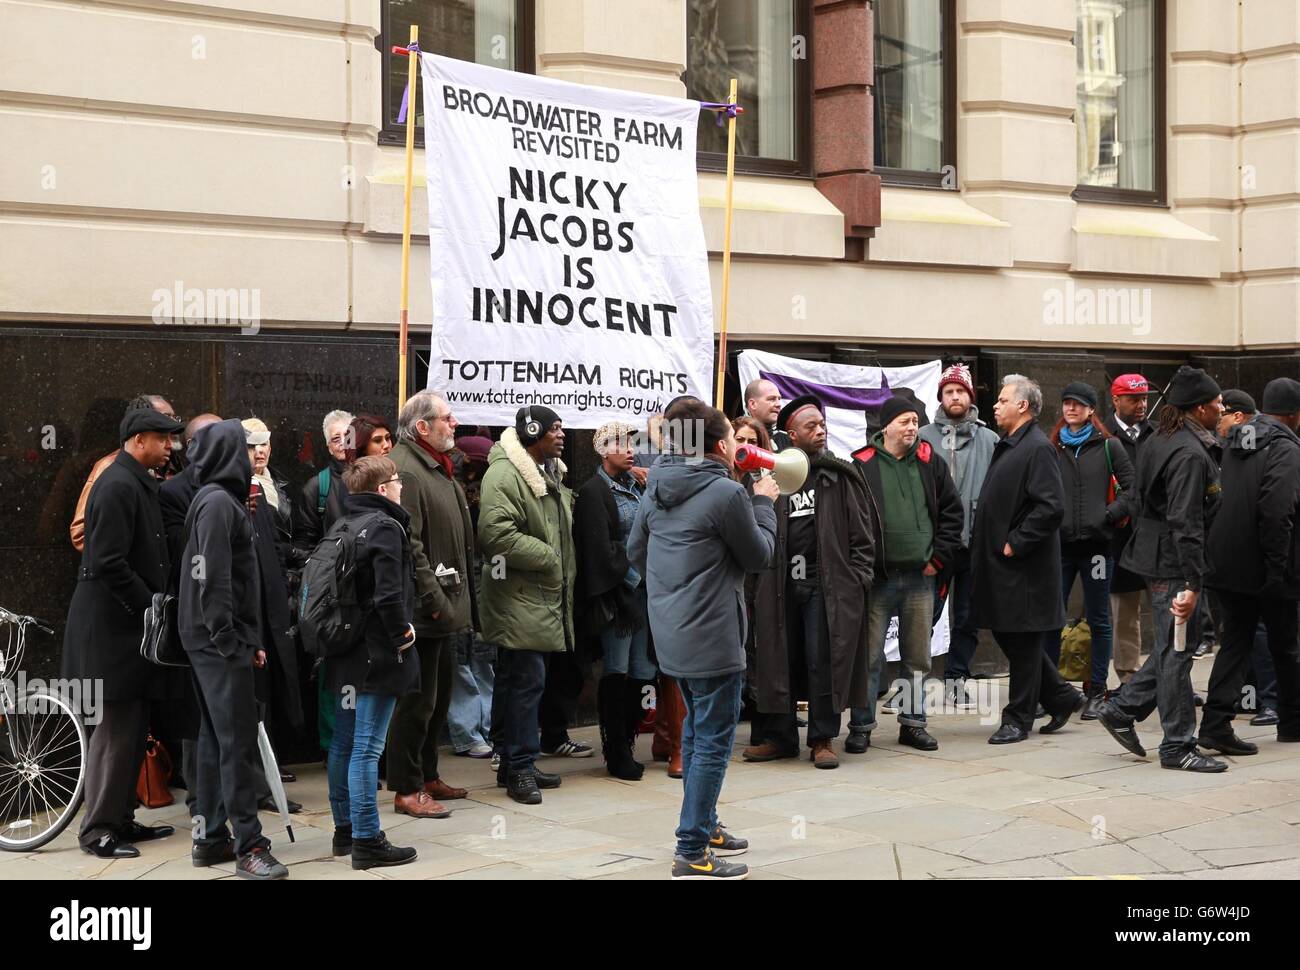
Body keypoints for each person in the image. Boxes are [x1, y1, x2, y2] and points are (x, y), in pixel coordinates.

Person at [628, 399, 779, 880]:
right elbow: (758, 557)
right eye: (732, 439)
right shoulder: (727, 494)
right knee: (713, 740)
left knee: (696, 730)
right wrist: (763, 505)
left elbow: (635, 552)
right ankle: (692, 848)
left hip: (672, 632)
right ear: (718, 445)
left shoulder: (655, 488)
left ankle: (706, 824)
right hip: (714, 635)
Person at [65, 402, 184, 858]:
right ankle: (97, 831)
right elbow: (105, 562)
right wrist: (150, 604)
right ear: (139, 440)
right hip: (111, 631)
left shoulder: (137, 481)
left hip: (130, 631)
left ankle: (122, 819)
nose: (169, 447)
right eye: (163, 438)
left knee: (133, 728)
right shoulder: (116, 484)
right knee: (114, 733)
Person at [1094, 366, 1227, 772]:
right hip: (1172, 563)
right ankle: (1177, 746)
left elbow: (1137, 500)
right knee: (1177, 652)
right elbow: (1185, 521)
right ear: (1200, 408)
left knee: (1174, 646)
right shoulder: (1187, 451)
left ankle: (1121, 709)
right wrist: (1191, 583)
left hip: (1156, 556)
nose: (1222, 409)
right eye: (1218, 403)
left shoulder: (1159, 437)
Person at [178, 419, 287, 879]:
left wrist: (245, 638)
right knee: (238, 741)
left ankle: (210, 837)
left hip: (214, 640)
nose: (251, 455)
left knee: (214, 738)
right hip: (217, 643)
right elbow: (215, 581)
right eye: (243, 448)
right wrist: (232, 641)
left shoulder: (214, 499)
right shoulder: (220, 503)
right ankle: (250, 846)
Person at [745, 396, 876, 767]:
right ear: (792, 435)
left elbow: (861, 534)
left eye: (822, 425)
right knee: (779, 660)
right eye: (811, 427)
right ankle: (781, 737)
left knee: (823, 660)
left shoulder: (838, 474)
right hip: (780, 582)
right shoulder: (775, 477)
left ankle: (822, 739)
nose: (820, 431)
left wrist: (860, 578)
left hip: (825, 585)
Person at [971, 375, 1086, 744]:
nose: (995, 404)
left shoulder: (1037, 447)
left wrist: (1015, 543)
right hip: (1003, 568)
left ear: (1022, 406)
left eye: (1002, 399)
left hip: (1024, 569)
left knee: (1022, 643)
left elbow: (1051, 507)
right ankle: (1061, 696)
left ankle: (1018, 719)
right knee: (1014, 638)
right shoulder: (1011, 444)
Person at [848, 394, 962, 752]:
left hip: (920, 578)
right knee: (867, 657)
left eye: (915, 421)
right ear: (887, 426)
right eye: (905, 421)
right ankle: (861, 725)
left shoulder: (932, 463)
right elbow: (850, 521)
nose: (912, 427)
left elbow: (952, 515)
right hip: (877, 580)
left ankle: (913, 723)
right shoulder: (861, 465)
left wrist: (936, 561)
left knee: (917, 657)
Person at [325, 456, 421, 869]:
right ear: (382, 490)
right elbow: (387, 595)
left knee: (344, 746)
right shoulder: (385, 527)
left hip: (345, 654)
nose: (401, 487)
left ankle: (345, 831)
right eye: (397, 481)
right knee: (367, 749)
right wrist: (403, 634)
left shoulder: (343, 523)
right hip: (376, 656)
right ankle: (367, 840)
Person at [478, 405, 576, 804]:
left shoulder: (548, 471)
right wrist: (551, 556)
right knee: (525, 684)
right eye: (554, 429)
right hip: (520, 599)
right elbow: (496, 535)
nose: (562, 435)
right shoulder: (505, 474)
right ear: (532, 433)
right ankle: (518, 768)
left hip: (538, 599)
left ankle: (516, 762)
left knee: (522, 684)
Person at [385, 391, 474, 817]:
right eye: (447, 418)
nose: (454, 424)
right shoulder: (408, 470)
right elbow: (410, 544)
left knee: (438, 700)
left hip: (445, 607)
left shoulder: (435, 467)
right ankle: (406, 788)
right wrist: (433, 600)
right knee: (415, 702)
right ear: (422, 427)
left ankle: (428, 774)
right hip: (425, 610)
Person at [1200, 378, 1300, 753]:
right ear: (1293, 414)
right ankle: (1291, 722)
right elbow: (1278, 511)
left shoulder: (1234, 441)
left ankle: (1214, 724)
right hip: (1267, 565)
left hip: (1226, 560)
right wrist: (1277, 570)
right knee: (1285, 644)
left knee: (1236, 642)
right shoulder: (1285, 447)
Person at [575, 421, 656, 780]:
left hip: (645, 596)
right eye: (620, 443)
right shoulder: (594, 491)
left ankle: (629, 737)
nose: (629, 449)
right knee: (617, 671)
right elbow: (598, 550)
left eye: (632, 443)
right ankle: (616, 750)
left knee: (644, 672)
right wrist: (636, 571)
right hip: (617, 598)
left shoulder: (637, 486)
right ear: (602, 449)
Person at [1047, 382, 1134, 715]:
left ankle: (1097, 690)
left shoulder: (1109, 446)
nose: (1071, 409)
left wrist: (1109, 516)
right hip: (1061, 548)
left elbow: (1132, 489)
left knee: (1099, 618)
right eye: (1067, 403)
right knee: (1052, 617)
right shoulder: (1052, 446)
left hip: (1097, 549)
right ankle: (1055, 689)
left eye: (1079, 404)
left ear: (1091, 410)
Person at [919, 363, 997, 708]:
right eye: (948, 391)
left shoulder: (989, 439)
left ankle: (956, 679)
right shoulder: (923, 437)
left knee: (967, 616)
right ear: (941, 397)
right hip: (934, 545)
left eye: (960, 391)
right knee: (924, 614)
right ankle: (915, 683)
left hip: (974, 544)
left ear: (970, 396)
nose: (954, 396)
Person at [241, 419, 304, 807]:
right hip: (250, 609)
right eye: (252, 445)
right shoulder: (231, 495)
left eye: (265, 444)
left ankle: (268, 767)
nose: (260, 452)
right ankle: (256, 780)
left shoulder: (275, 486)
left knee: (274, 687)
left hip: (276, 594)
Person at [70, 394, 177, 552]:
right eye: (166, 417)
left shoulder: (174, 463)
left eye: (176, 418)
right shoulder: (109, 468)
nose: (173, 424)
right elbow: (81, 534)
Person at [447, 434, 496, 759]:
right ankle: (467, 731)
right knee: (461, 658)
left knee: (484, 656)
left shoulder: (486, 493)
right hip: (460, 578)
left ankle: (487, 725)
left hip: (484, 577)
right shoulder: (450, 489)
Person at [1103, 374, 1154, 683]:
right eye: (1134, 399)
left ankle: (1170, 676)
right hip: (1119, 537)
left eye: (1144, 398)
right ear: (1116, 400)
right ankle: (1128, 677)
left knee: (1167, 612)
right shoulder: (1103, 436)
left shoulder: (1156, 433)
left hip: (1153, 533)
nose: (1141, 404)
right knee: (1124, 613)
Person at [733, 416, 774, 748]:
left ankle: (763, 728)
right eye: (739, 439)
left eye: (753, 441)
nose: (746, 446)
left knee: (762, 652)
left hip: (765, 577)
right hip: (734, 580)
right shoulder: (723, 480)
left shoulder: (770, 482)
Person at [294, 409, 353, 554]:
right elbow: (307, 542)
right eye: (335, 439)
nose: (342, 442)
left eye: (347, 435)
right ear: (330, 448)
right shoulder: (316, 487)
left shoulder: (374, 478)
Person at [744, 378, 783, 443]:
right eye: (772, 399)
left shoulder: (787, 441)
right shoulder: (733, 435)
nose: (778, 404)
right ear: (753, 404)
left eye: (779, 399)